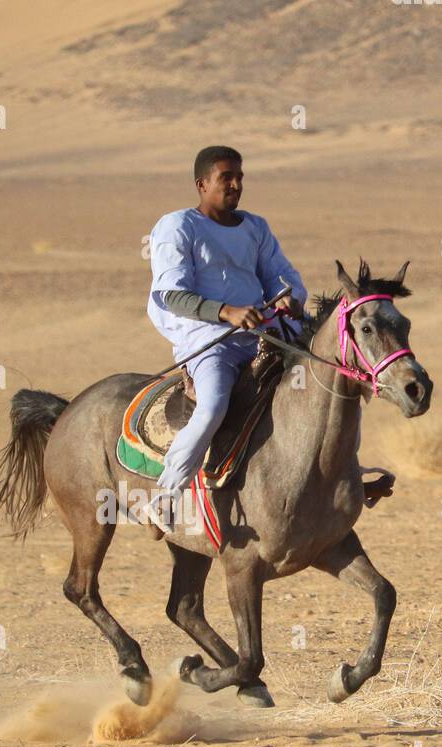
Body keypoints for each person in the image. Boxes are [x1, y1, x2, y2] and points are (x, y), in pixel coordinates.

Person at [143, 145, 304, 533]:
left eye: (240, 177)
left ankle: (350, 475)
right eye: (226, 178)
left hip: (264, 332)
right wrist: (227, 312)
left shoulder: (255, 227)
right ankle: (166, 495)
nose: (235, 185)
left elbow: (283, 277)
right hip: (210, 339)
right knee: (214, 405)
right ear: (202, 184)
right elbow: (172, 295)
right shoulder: (178, 226)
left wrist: (290, 298)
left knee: (328, 384)